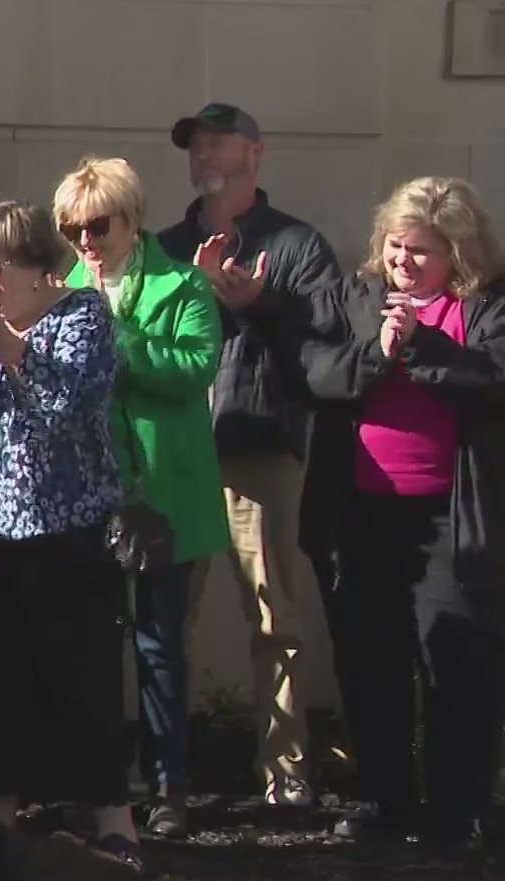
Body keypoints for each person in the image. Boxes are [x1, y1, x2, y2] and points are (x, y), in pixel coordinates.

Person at [206, 177, 505, 846]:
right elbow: (312, 364)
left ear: (458, 253)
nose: (403, 261)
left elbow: (492, 380)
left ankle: (459, 808)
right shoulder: (356, 297)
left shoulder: (486, 307)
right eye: (396, 245)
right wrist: (376, 352)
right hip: (360, 514)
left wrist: (419, 348)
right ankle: (385, 799)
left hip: (453, 519)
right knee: (371, 659)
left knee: (456, 661)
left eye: (421, 251)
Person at [0, 201, 146, 872]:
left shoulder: (82, 317)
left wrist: (6, 345)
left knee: (81, 678)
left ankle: (113, 823)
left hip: (64, 530)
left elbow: (67, 407)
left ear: (39, 268)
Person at [157, 102, 343, 811]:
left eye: (220, 141)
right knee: (166, 621)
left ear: (256, 153)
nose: (205, 154)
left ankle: (285, 775)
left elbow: (329, 347)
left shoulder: (295, 245)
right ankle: (167, 777)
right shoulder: (167, 247)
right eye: (196, 144)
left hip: (259, 451)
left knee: (275, 619)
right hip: (177, 457)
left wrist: (262, 303)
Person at [53, 157, 227, 838]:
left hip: (164, 496)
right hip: (90, 497)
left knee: (159, 645)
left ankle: (167, 786)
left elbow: (196, 368)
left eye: (97, 226)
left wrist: (117, 336)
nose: (85, 242)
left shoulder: (182, 284)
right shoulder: (62, 290)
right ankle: (100, 785)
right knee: (91, 645)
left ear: (131, 220)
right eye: (72, 230)